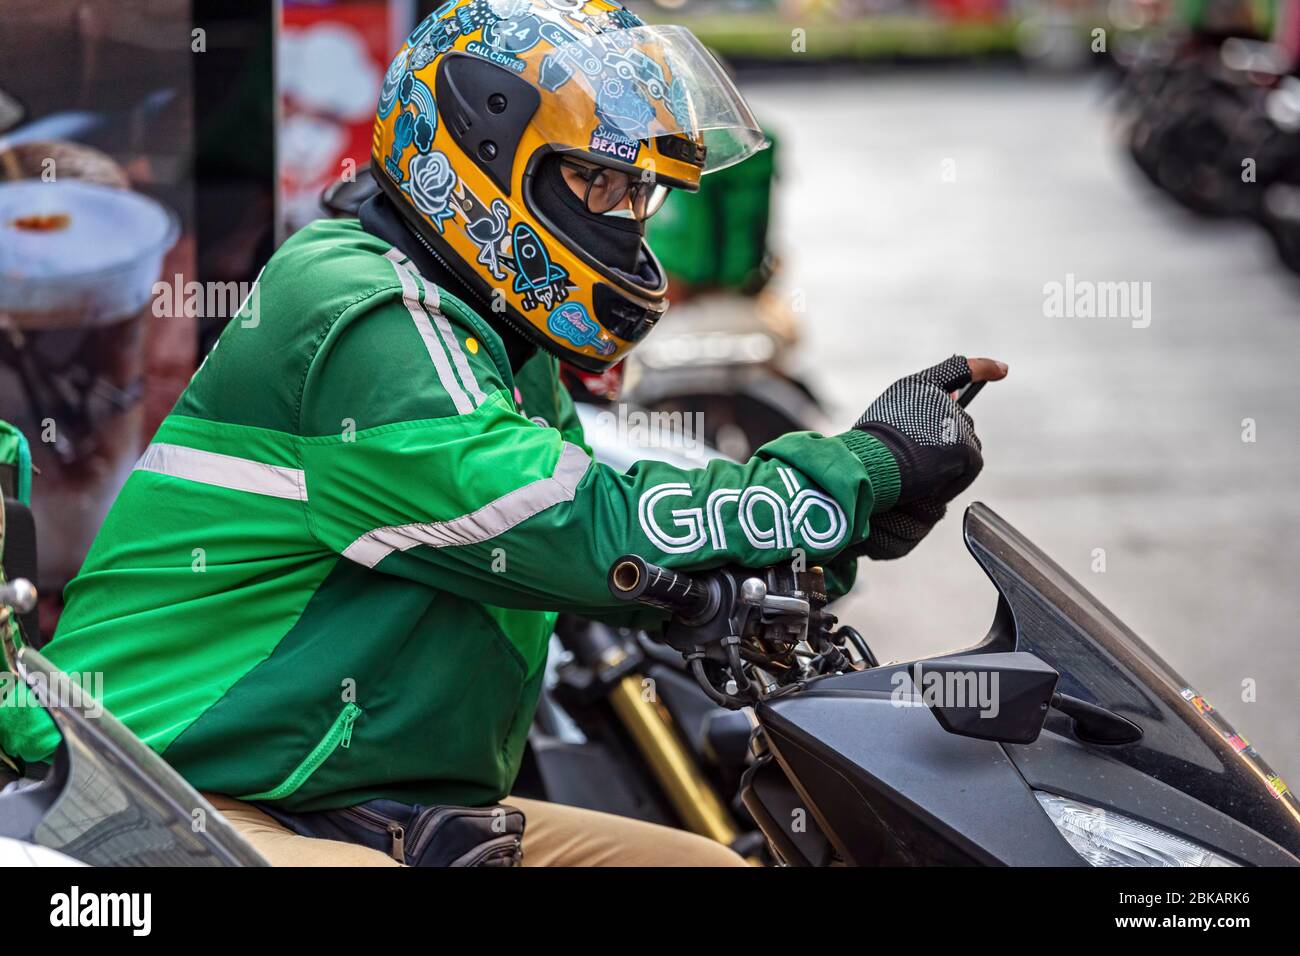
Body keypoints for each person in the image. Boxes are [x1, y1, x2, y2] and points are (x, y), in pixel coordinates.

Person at [0, 0, 1006, 866]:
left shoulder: (498, 342)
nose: (627, 221)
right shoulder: (357, 304)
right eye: (600, 185)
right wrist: (841, 475)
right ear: (483, 153)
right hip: (157, 789)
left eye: (638, 195)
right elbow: (558, 520)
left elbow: (618, 550)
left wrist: (823, 539)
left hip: (348, 800)